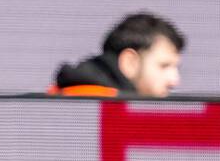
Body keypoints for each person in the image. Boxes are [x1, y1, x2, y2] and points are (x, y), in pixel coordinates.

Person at [50, 12, 185, 98]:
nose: (174, 81)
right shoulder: (101, 107)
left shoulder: (63, 96)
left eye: (175, 68)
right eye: (164, 66)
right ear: (130, 63)